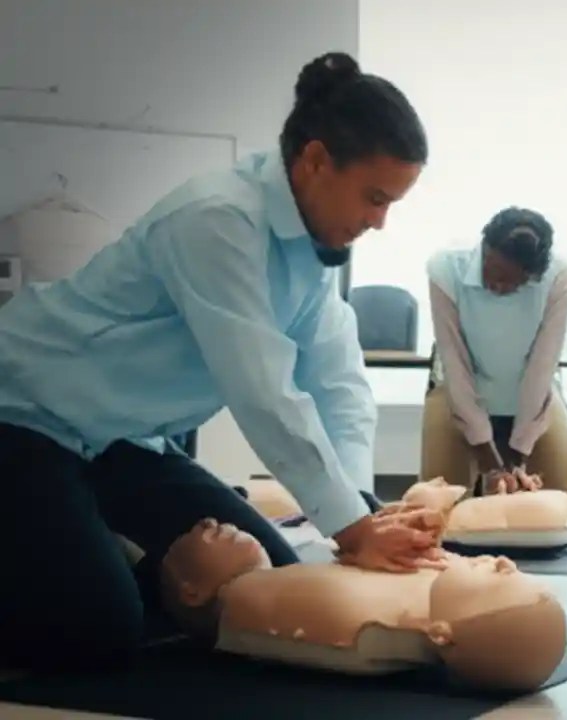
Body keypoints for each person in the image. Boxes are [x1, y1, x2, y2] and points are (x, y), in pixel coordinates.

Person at [0, 52, 433, 671]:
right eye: (373, 197)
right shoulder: (217, 219)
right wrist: (352, 533)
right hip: (24, 417)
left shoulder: (314, 253)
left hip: (124, 438)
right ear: (314, 161)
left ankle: (98, 562)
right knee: (94, 629)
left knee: (278, 583)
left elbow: (338, 384)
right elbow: (261, 388)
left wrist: (360, 509)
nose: (379, 221)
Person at [423, 207, 567, 518]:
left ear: (531, 276)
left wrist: (517, 456)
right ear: (484, 249)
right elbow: (455, 365)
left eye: (511, 282)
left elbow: (541, 368)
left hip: (528, 397)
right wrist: (488, 459)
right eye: (493, 273)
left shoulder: (559, 277)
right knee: (438, 514)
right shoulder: (445, 268)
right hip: (456, 393)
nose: (498, 286)